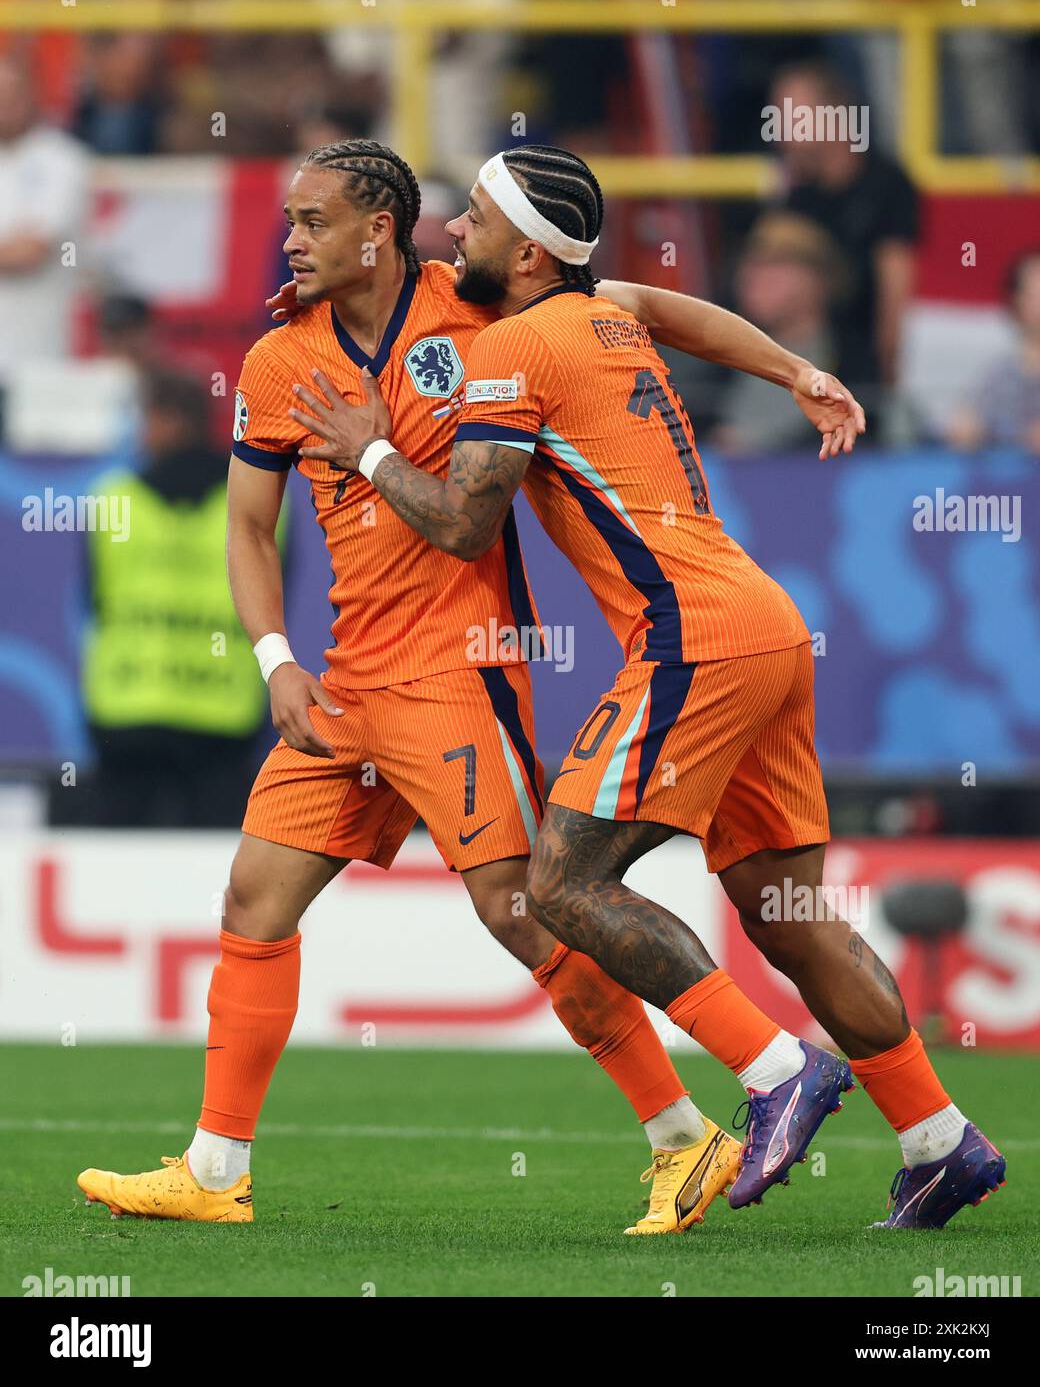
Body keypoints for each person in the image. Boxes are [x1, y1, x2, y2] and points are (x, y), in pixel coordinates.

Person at [296, 143, 1005, 1231]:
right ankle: (938, 1140)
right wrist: (796, 371)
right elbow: (680, 312)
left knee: (562, 883)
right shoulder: (597, 311)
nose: (455, 234)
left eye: (476, 222)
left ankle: (775, 1072)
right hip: (761, 621)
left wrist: (372, 455)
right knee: (788, 913)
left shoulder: (516, 347)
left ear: (528, 253)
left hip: (690, 637)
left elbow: (463, 523)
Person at [79, 140, 753, 1237]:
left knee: (520, 907)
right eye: (287, 220)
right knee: (254, 899)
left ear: (375, 231)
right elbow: (247, 528)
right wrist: (272, 661)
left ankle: (685, 1132)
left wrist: (795, 372)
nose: (288, 240)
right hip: (344, 681)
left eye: (310, 220)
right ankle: (213, 1170)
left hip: (458, 667)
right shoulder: (273, 362)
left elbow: (643, 313)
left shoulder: (484, 304)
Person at [78, 369, 270, 828]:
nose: (141, 431)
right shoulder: (254, 501)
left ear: (171, 419)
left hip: (127, 708)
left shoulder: (113, 498)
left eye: (147, 417)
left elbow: (94, 599)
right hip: (223, 714)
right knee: (215, 872)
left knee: (117, 869)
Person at [768, 61, 918, 434]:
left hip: (862, 360)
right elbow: (768, 282)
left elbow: (894, 290)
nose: (780, 129)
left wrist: (884, 380)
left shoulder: (887, 184)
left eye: (792, 114)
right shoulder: (797, 194)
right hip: (803, 352)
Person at [0, 56, 90, 437]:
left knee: (27, 485)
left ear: (33, 97)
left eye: (11, 95)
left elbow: (29, 252)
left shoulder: (62, 161)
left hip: (36, 358)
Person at [711, 212, 844, 454]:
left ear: (817, 279)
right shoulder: (716, 360)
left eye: (774, 263)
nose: (751, 275)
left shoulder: (852, 368)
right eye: (750, 262)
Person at [946, 249, 1040, 455]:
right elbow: (963, 424)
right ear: (1018, 301)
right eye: (1036, 292)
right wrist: (968, 430)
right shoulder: (1000, 375)